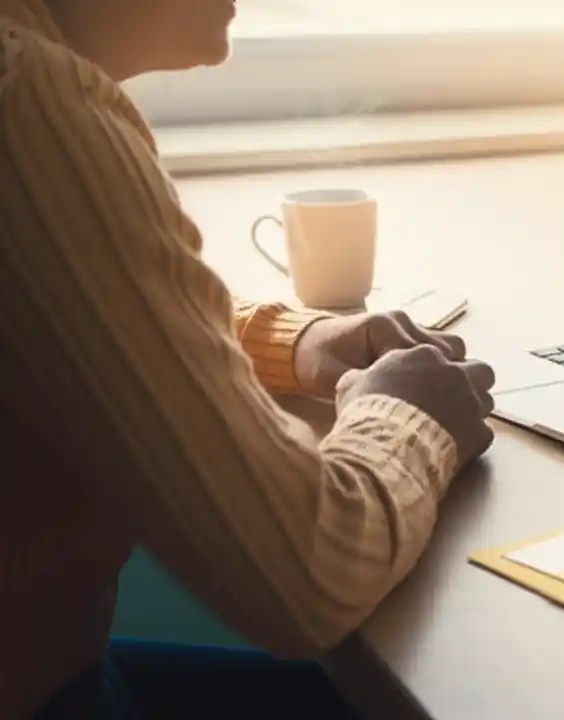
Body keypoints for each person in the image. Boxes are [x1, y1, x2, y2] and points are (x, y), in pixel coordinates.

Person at [0, 0, 497, 717]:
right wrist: (410, 417)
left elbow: (62, 306)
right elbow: (306, 572)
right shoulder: (28, 103)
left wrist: (293, 343)